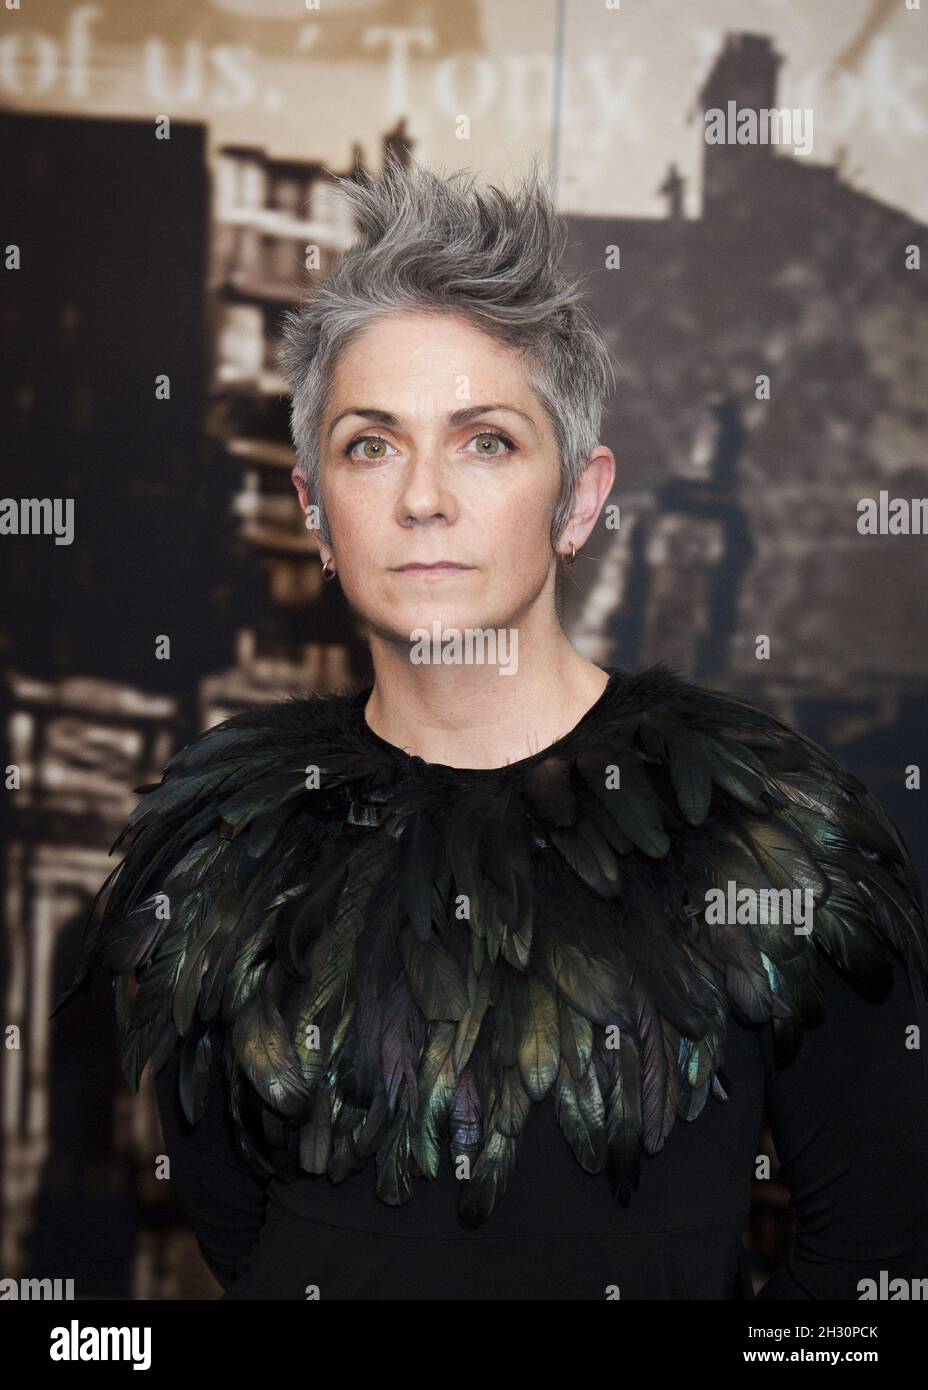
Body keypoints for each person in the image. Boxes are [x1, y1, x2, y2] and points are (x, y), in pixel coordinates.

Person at [54, 153, 928, 1300]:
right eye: (371, 443)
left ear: (579, 499)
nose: (423, 496)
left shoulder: (767, 834)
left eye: (486, 440)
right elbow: (251, 1244)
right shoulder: (222, 848)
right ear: (316, 513)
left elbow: (876, 1262)